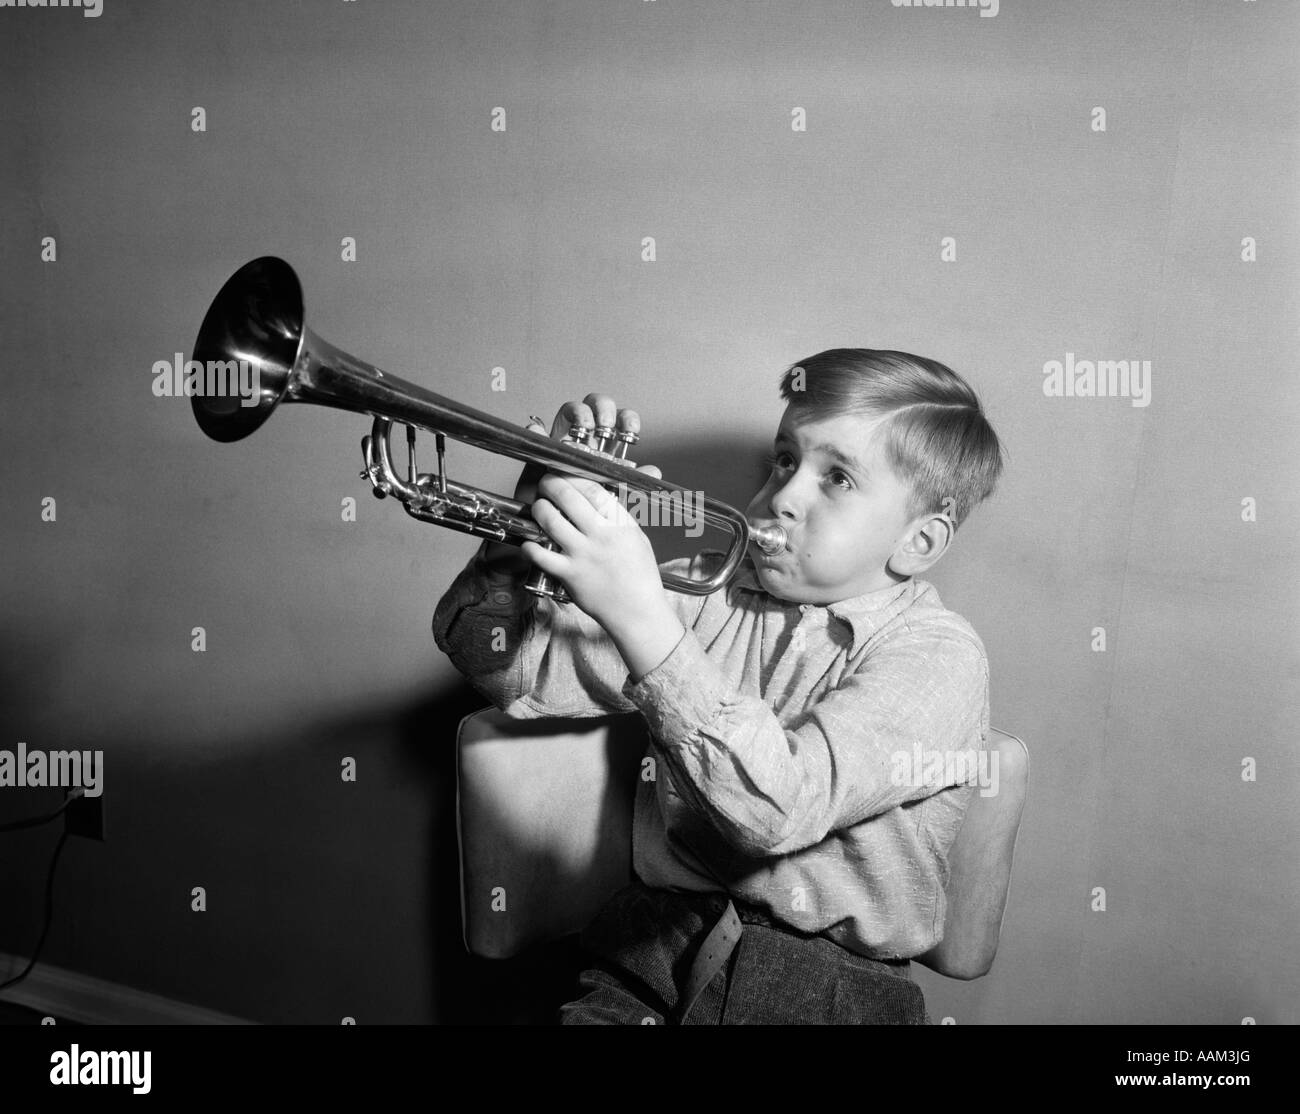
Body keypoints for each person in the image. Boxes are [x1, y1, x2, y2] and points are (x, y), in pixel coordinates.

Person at [433, 349, 1005, 1024]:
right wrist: (531, 513)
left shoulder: (940, 655)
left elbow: (778, 809)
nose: (784, 495)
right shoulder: (713, 594)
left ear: (919, 541)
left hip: (831, 995)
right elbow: (506, 666)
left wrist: (641, 617)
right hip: (647, 960)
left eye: (839, 478)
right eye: (786, 460)